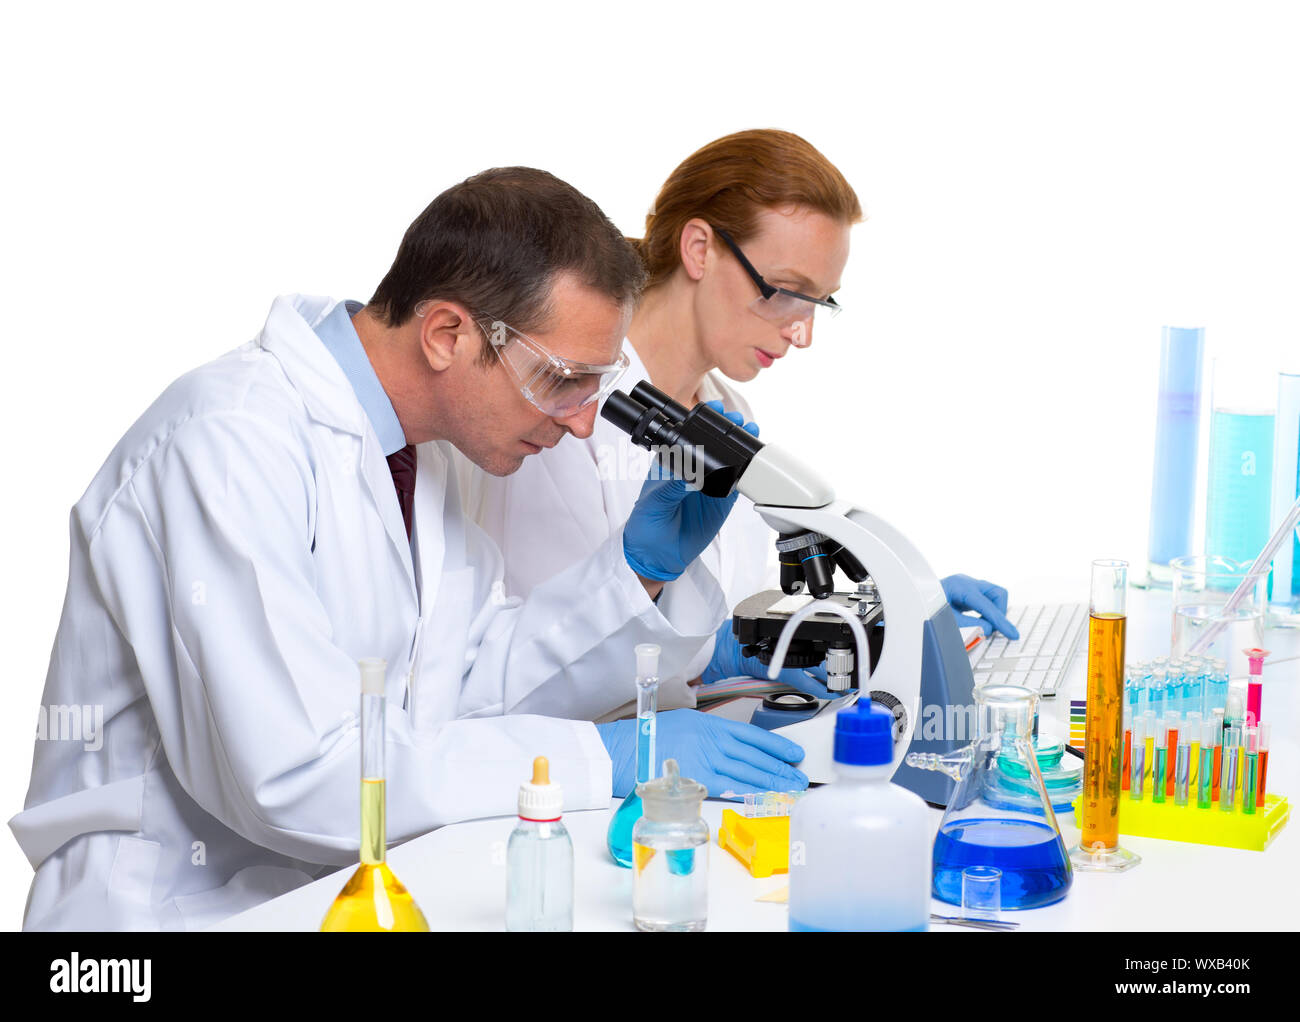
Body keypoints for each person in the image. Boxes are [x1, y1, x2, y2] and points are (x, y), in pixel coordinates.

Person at [9, 167, 807, 931]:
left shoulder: (428, 455)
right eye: (564, 379)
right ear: (447, 333)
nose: (581, 421)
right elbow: (298, 773)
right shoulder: (227, 442)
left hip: (335, 895)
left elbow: (465, 688)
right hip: (165, 912)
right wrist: (599, 761)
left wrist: (638, 571)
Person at [457, 130, 1019, 712]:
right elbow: (528, 669)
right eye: (786, 291)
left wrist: (891, 620)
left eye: (818, 302)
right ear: (699, 248)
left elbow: (732, 620)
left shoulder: (727, 408)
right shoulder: (562, 409)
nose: (802, 332)